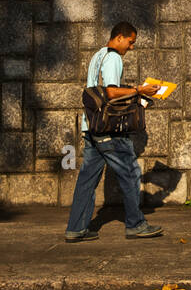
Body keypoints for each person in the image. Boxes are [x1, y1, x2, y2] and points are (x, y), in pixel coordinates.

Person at [64, 22, 164, 242]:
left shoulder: (98, 56)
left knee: (87, 181)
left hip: (91, 127)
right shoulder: (114, 58)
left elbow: (100, 91)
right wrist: (139, 90)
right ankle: (136, 224)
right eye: (130, 42)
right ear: (119, 37)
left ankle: (76, 228)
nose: (131, 48)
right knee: (129, 174)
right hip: (109, 129)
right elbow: (110, 92)